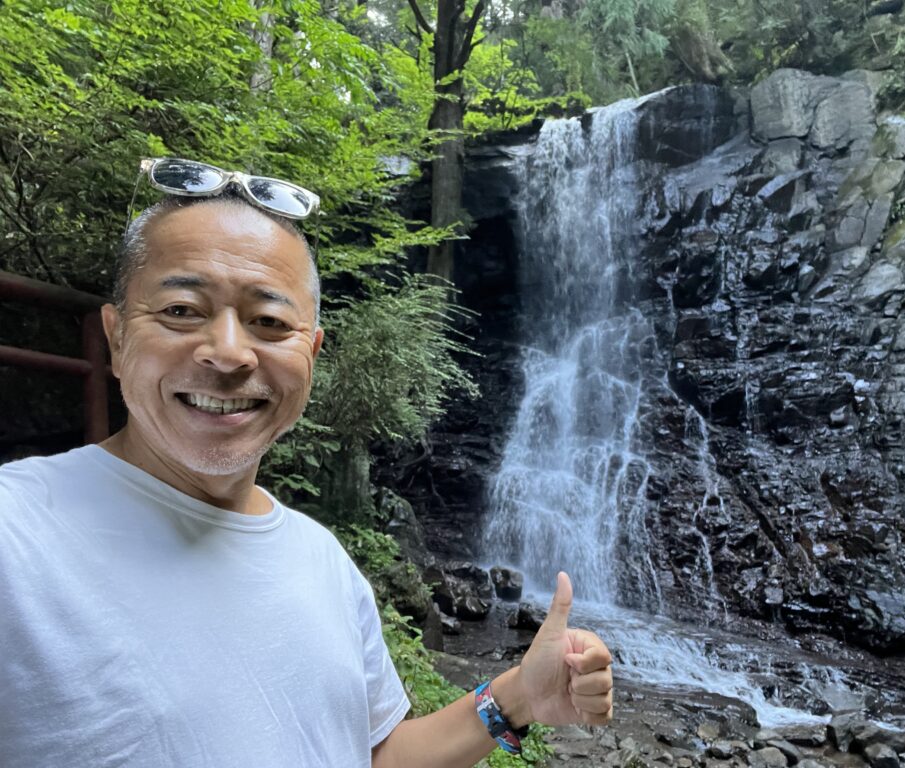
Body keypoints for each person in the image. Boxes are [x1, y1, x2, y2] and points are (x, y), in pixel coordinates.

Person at [0, 159, 614, 767]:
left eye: (269, 322)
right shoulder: (18, 533)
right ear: (115, 337)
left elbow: (377, 755)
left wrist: (515, 697)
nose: (229, 352)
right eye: (182, 309)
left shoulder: (323, 561)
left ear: (311, 354)